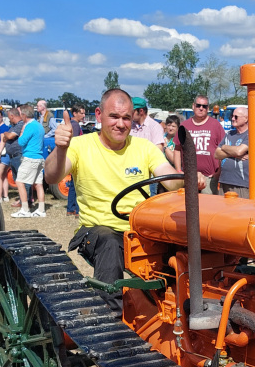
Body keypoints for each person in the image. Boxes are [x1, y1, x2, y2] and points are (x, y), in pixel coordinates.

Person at [44, 89, 183, 305]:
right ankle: (111, 317)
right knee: (110, 242)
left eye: (126, 117)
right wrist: (61, 149)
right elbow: (52, 176)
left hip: (139, 229)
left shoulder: (144, 148)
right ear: (99, 115)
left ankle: (177, 305)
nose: (121, 124)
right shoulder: (80, 146)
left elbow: (171, 180)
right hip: (98, 229)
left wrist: (189, 176)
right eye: (114, 116)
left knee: (182, 240)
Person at [11, 104, 46, 218]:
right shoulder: (39, 125)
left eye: (21, 113)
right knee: (38, 184)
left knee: (20, 181)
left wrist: (22, 131)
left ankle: (25, 209)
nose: (20, 115)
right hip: (39, 158)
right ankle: (41, 210)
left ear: (24, 115)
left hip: (30, 158)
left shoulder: (29, 126)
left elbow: (21, 142)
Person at [215, 105, 251, 197]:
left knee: (240, 211)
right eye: (232, 116)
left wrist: (224, 147)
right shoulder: (229, 134)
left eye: (236, 117)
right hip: (224, 181)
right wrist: (232, 154)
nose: (233, 118)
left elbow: (239, 151)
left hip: (241, 184)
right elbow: (216, 154)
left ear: (246, 119)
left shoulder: (250, 134)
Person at [66, 105, 87, 217]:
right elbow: (73, 142)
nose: (83, 116)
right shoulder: (75, 125)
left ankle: (71, 208)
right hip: (76, 157)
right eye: (81, 113)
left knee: (73, 184)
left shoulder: (72, 124)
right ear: (74, 113)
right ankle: (78, 210)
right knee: (79, 184)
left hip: (73, 157)